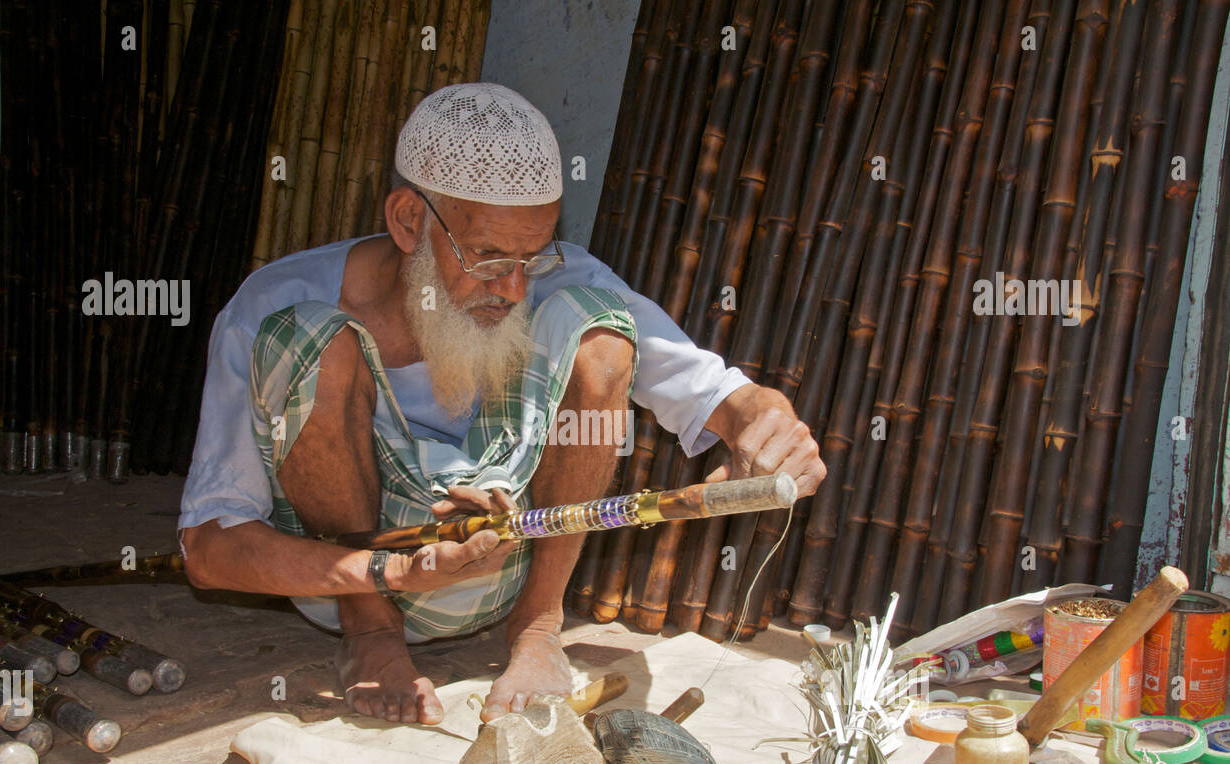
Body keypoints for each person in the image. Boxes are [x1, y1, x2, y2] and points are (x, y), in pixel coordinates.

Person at [178, 83, 824, 726]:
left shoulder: (553, 278)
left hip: (507, 559)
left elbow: (723, 396)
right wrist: (393, 570)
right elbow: (208, 550)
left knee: (602, 327)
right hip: (352, 578)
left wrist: (765, 423)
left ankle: (538, 624)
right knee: (310, 344)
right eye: (486, 255)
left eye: (531, 254)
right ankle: (372, 637)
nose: (513, 287)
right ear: (408, 220)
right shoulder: (269, 305)